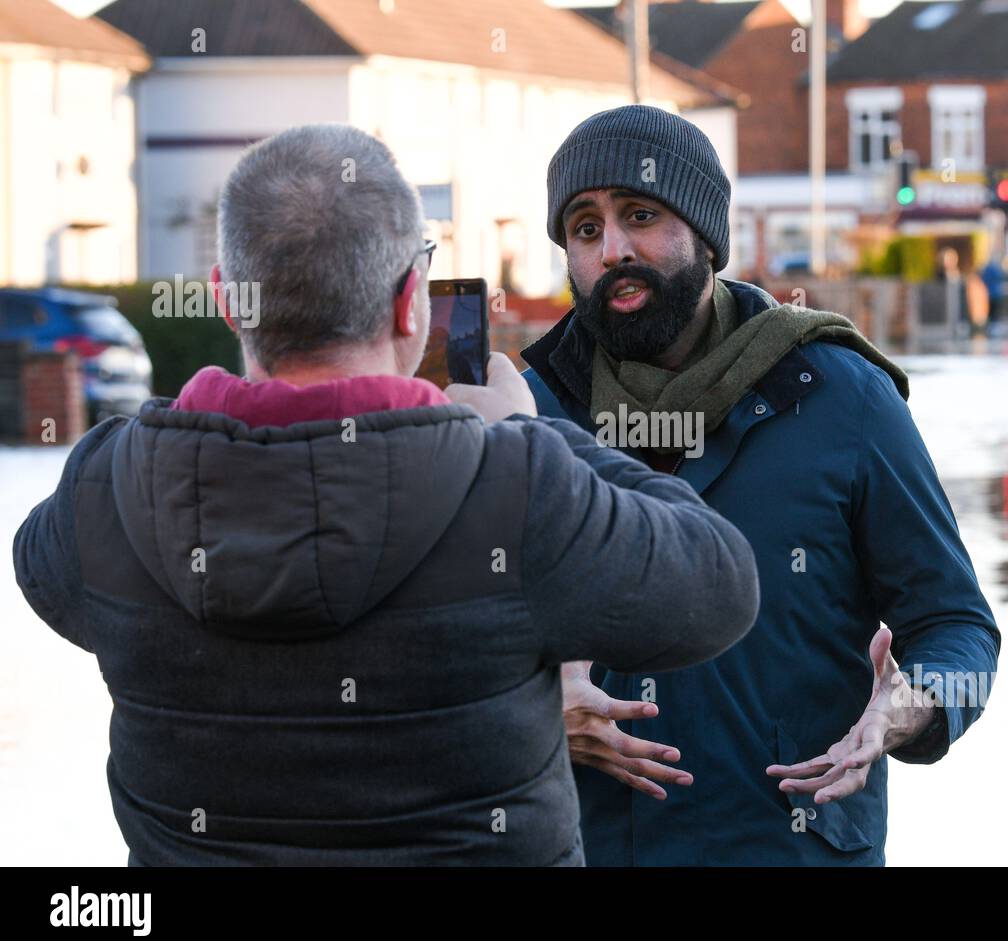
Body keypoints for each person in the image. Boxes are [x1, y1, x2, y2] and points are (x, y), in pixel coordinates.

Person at [11, 123, 761, 866]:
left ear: (228, 301)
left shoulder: (108, 485)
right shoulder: (516, 489)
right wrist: (535, 436)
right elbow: (720, 585)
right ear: (412, 302)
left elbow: (46, 573)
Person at [525, 105, 1001, 866]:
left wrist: (911, 707)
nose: (612, 249)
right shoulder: (529, 410)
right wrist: (533, 706)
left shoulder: (842, 396)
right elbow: (442, 644)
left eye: (640, 216)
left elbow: (959, 626)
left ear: (707, 234)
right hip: (591, 846)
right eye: (585, 229)